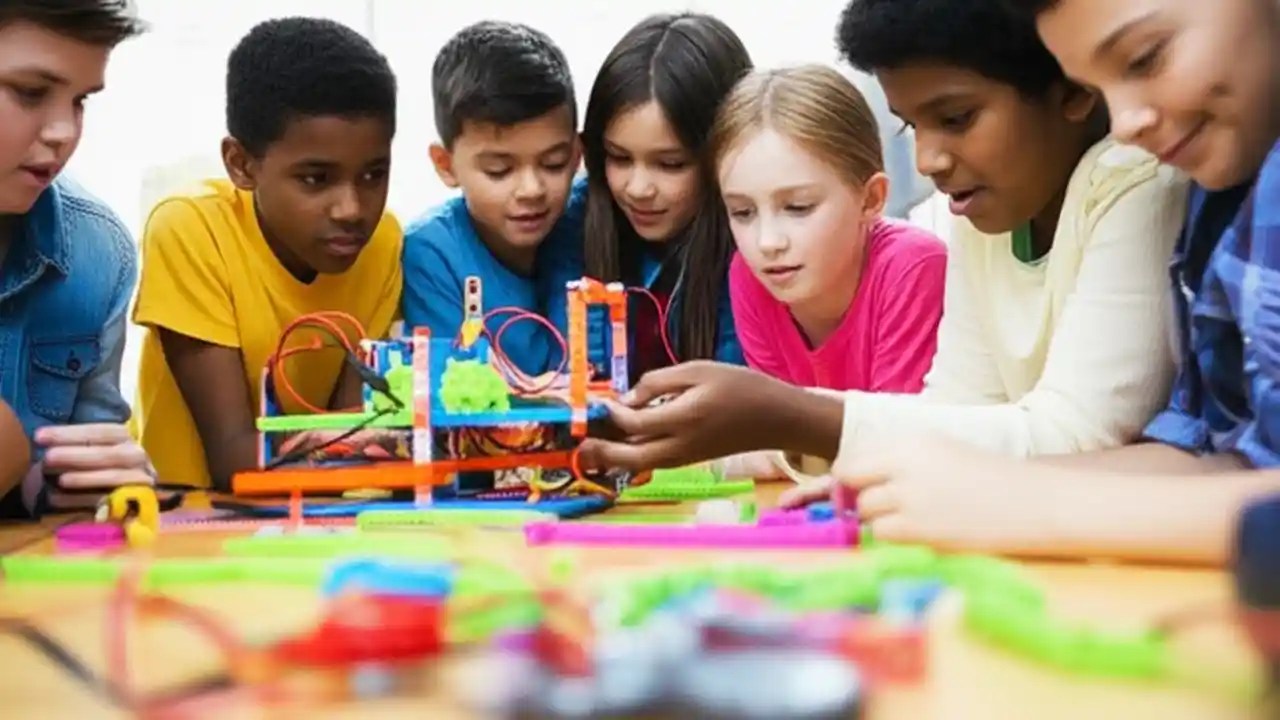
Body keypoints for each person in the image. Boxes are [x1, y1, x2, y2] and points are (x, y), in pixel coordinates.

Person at [582, 0, 1189, 487]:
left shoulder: (1134, 181)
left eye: (956, 119)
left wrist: (791, 414)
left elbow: (1079, 437)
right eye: (911, 126)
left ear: (1073, 88)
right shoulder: (986, 215)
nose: (928, 160)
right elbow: (957, 410)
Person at [130, 17, 403, 490]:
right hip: (184, 513)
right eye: (316, 178)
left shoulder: (383, 241)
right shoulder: (190, 230)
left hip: (314, 510)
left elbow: (355, 432)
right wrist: (359, 445)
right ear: (241, 164)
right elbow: (234, 456)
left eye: (373, 174)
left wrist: (361, 444)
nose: (352, 209)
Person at [713, 65, 947, 480]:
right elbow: (781, 437)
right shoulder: (750, 277)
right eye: (742, 212)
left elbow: (893, 444)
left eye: (798, 207)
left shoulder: (914, 266)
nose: (767, 241)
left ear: (871, 198)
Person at [0, 1, 153, 517]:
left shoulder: (98, 252)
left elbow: (59, 476)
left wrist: (81, 481)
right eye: (31, 93)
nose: (64, 132)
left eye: (81, 100)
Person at [402, 21, 585, 377]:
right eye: (499, 170)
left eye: (554, 163)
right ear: (446, 165)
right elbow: (454, 386)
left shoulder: (588, 221)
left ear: (578, 155)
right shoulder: (431, 253)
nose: (531, 189)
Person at [581, 12, 752, 381]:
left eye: (671, 164)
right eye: (619, 157)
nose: (639, 188)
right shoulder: (572, 223)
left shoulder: (759, 245)